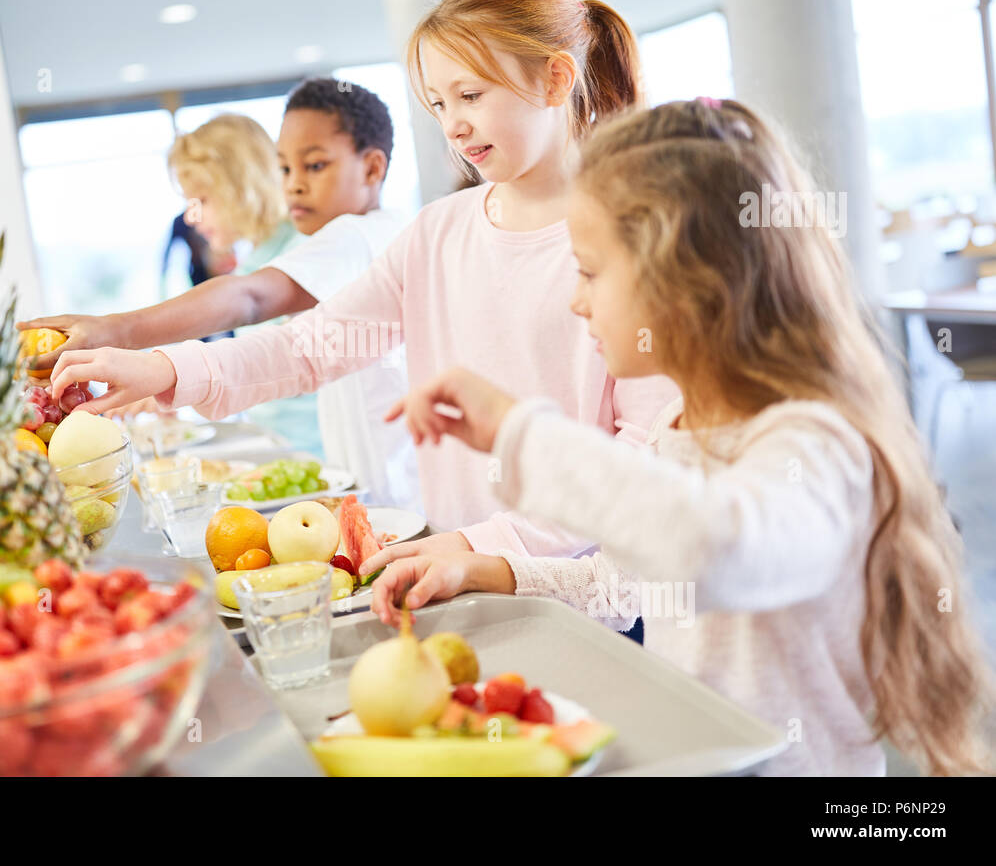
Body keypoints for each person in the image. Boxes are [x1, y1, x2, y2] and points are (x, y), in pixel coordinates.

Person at [372, 98, 994, 776]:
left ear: (687, 279)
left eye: (590, 271)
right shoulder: (680, 427)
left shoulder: (815, 444)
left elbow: (717, 549)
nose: (577, 301)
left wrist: (520, 432)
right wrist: (481, 569)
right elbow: (630, 587)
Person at [45, 0, 678, 563]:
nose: (453, 125)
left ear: (556, 79)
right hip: (456, 576)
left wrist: (485, 548)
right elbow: (307, 350)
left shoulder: (636, 243)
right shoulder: (437, 234)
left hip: (587, 596)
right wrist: (161, 368)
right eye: (437, 104)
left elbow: (640, 461)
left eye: (470, 95)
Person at [23, 81, 419, 507]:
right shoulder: (376, 233)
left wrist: (115, 332)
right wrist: (164, 376)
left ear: (373, 168)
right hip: (365, 475)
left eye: (316, 166)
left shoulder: (353, 238)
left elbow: (250, 299)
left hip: (375, 483)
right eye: (285, 169)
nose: (294, 186)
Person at [24, 112, 322, 454]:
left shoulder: (296, 258)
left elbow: (277, 364)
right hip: (280, 447)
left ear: (244, 187)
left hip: (318, 453)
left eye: (202, 201)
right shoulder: (255, 260)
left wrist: (164, 377)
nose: (192, 217)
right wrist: (163, 384)